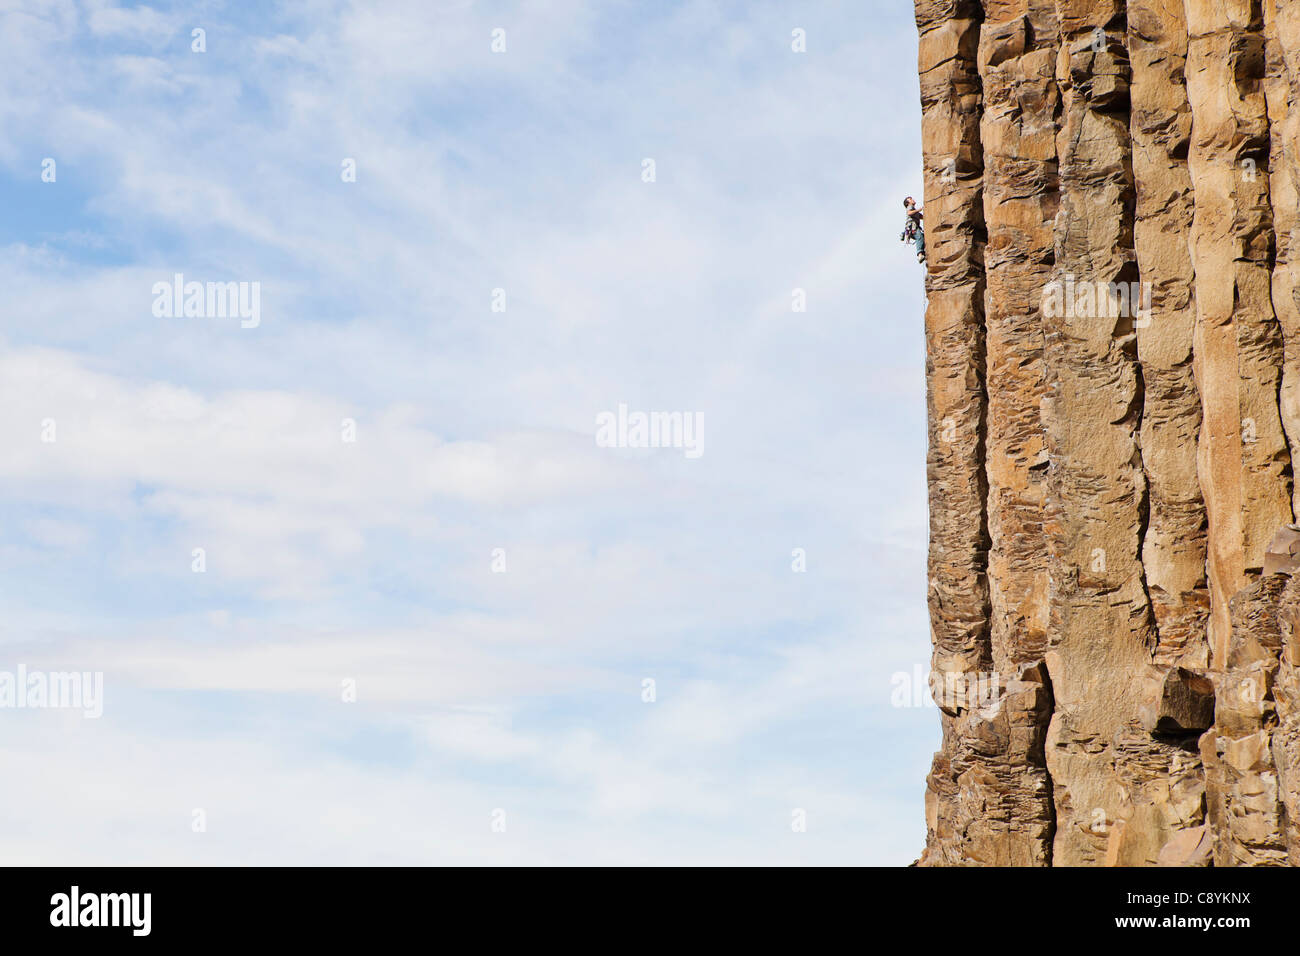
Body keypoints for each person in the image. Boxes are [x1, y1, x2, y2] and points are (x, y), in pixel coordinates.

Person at [901, 196, 925, 264]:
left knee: (922, 237)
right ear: (908, 203)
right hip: (912, 228)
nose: (913, 199)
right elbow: (909, 213)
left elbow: (921, 216)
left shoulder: (914, 209)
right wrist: (919, 210)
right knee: (919, 237)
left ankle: (923, 253)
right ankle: (920, 255)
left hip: (912, 228)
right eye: (910, 199)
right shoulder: (910, 207)